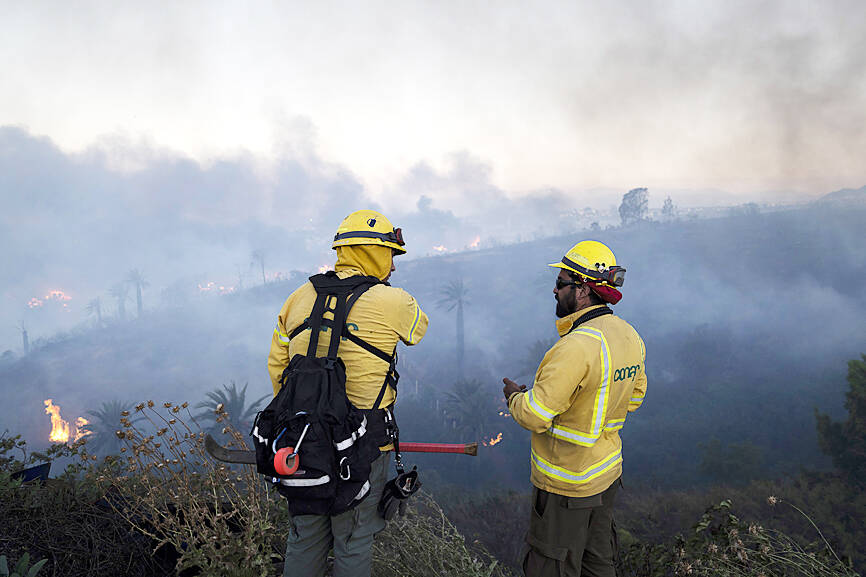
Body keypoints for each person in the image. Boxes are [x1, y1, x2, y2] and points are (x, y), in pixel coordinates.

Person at [267, 209, 429, 577]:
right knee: (353, 540)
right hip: (365, 441)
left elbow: (277, 368)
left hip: (302, 440)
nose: (393, 266)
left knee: (304, 538)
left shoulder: (296, 298)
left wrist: (306, 418)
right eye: (390, 255)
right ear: (374, 252)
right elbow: (418, 330)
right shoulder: (395, 301)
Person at [502, 240, 647, 577]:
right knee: (598, 562)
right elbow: (635, 399)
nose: (554, 290)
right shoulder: (629, 336)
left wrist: (514, 397)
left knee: (550, 564)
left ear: (583, 291)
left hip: (566, 485)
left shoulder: (575, 346)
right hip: (606, 475)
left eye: (562, 283)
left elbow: (534, 415)